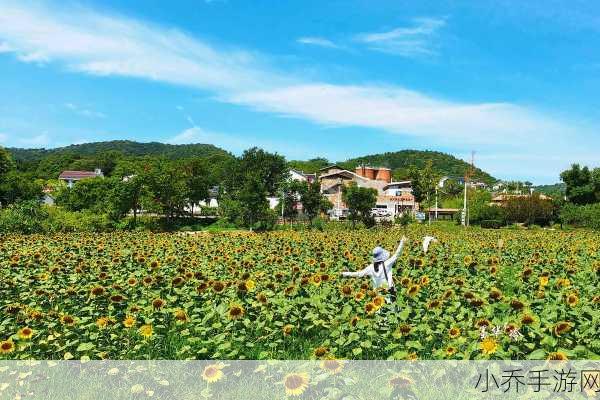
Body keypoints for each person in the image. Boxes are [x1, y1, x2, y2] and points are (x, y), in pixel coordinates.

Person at [341, 236, 407, 303]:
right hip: (388, 292)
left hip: (377, 294)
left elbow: (359, 274)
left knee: (379, 309)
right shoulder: (387, 264)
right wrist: (402, 242)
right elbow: (397, 254)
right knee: (390, 309)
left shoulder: (371, 267)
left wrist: (345, 273)